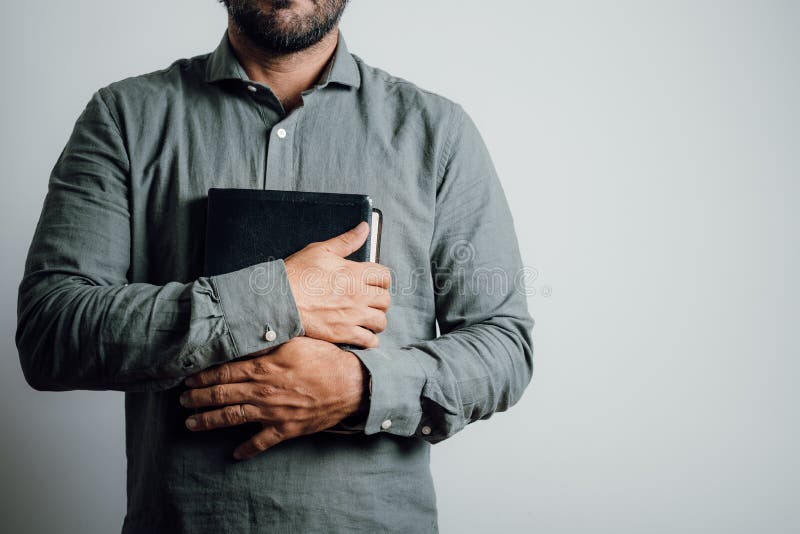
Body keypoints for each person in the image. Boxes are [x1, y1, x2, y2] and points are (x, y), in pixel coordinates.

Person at [15, 0, 535, 532]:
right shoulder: (124, 117)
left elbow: (503, 345)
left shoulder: (438, 132)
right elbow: (50, 330)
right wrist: (279, 296)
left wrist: (359, 388)